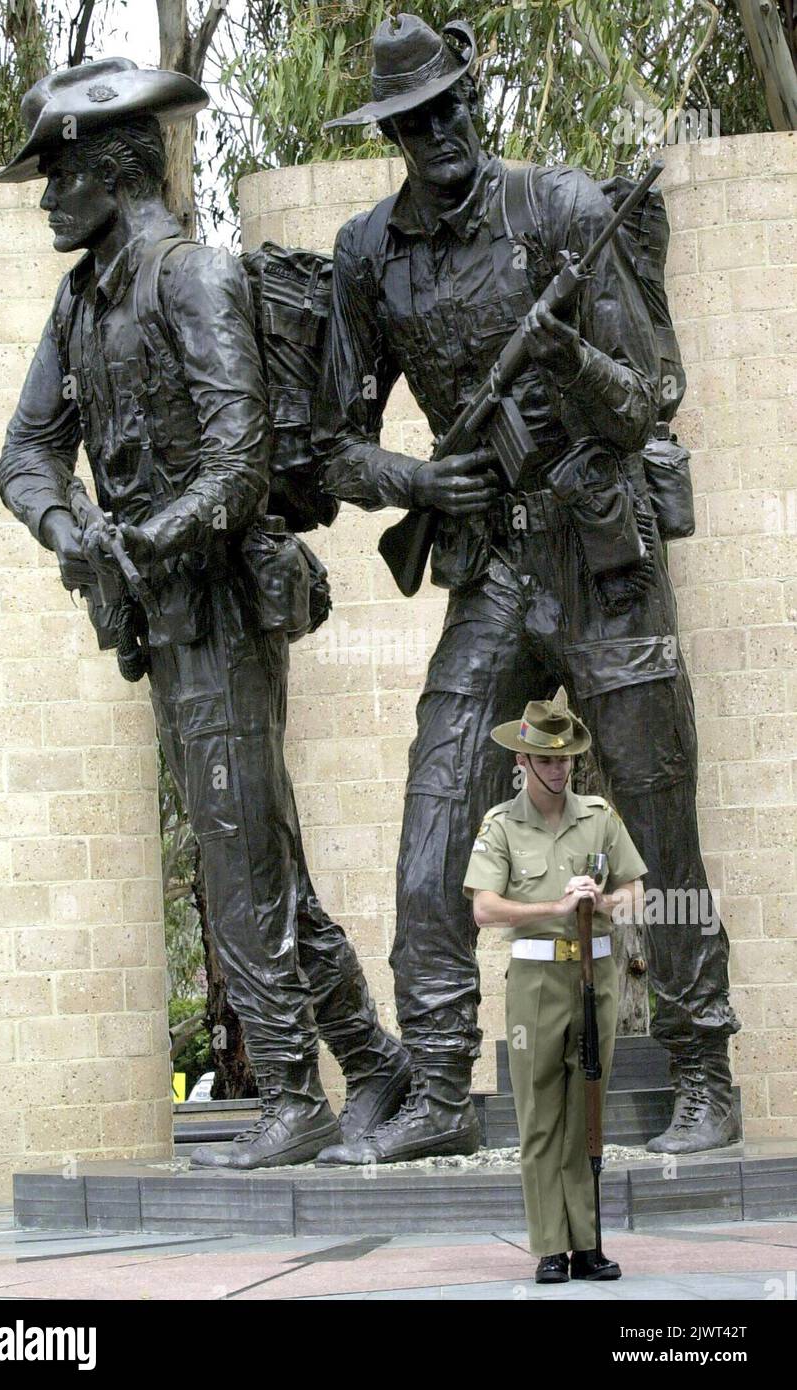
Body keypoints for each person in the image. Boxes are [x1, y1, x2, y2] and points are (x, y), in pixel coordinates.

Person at [313, 13, 739, 1167]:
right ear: (394, 129)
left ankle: (706, 1062)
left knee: (659, 824)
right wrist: (416, 475)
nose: (440, 130)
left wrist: (563, 358)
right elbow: (329, 444)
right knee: (436, 808)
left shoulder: (563, 213)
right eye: (415, 118)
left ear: (474, 103)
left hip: (604, 559)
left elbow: (650, 394)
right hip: (492, 565)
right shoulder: (368, 256)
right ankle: (442, 1083)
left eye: (452, 105)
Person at [0, 56, 410, 1171]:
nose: (46, 198)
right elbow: (24, 454)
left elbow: (238, 464)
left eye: (57, 173)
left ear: (115, 169)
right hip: (163, 619)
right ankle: (372, 1066)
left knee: (237, 857)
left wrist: (144, 539)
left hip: (221, 611)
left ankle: (290, 1093)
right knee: (259, 853)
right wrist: (71, 530)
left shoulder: (193, 280)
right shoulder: (80, 301)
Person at [463, 688, 645, 1283]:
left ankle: (587, 1245)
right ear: (523, 762)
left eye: (566, 759)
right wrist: (555, 905)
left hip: (597, 976)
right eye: (546, 759)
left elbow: (637, 893)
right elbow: (485, 909)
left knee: (588, 1107)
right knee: (541, 1114)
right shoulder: (501, 826)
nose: (559, 768)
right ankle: (549, 1244)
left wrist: (605, 901)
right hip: (538, 979)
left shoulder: (598, 818)